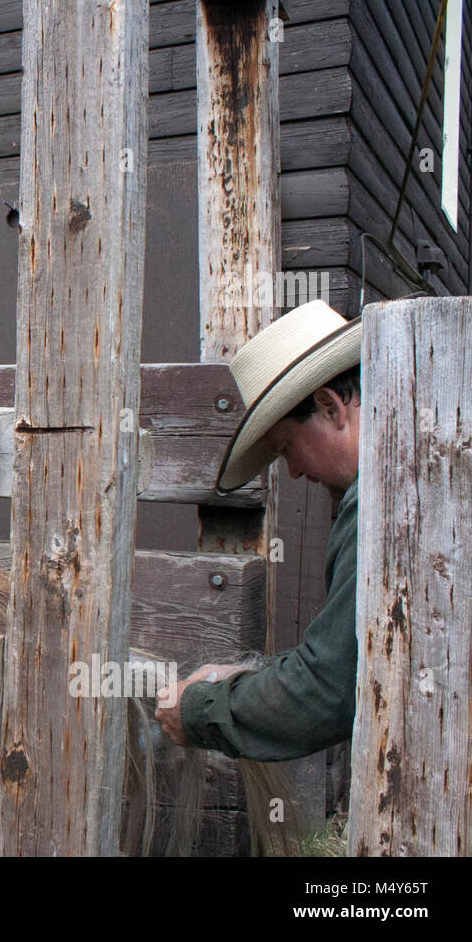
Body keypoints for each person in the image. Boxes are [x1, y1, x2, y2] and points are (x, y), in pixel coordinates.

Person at [154, 299, 362, 761]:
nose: (292, 472)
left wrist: (196, 710)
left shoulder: (377, 505)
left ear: (330, 407)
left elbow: (327, 690)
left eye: (287, 447)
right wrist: (244, 679)